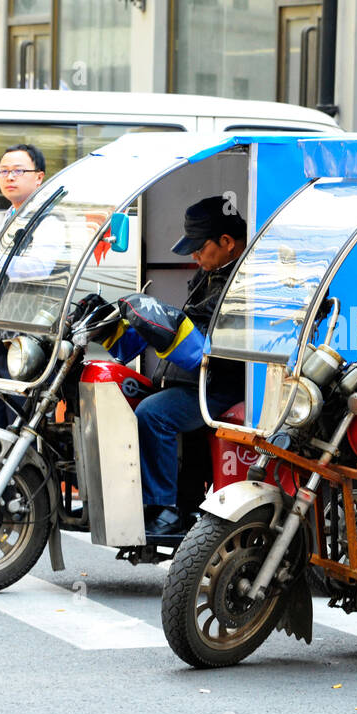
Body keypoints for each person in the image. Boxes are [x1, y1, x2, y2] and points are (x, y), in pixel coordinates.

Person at [136, 196, 247, 535]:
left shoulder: (246, 277)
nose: (196, 257)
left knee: (153, 414)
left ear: (227, 243)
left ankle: (164, 510)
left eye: (200, 249)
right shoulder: (209, 273)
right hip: (191, 380)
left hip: (221, 384)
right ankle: (181, 505)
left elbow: (203, 326)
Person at [0, 143, 46, 426]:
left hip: (28, 340)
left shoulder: (47, 218)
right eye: (4, 171)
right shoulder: (11, 214)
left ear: (39, 177)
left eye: (18, 170)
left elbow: (43, 267)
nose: (9, 177)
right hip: (3, 335)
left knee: (19, 422)